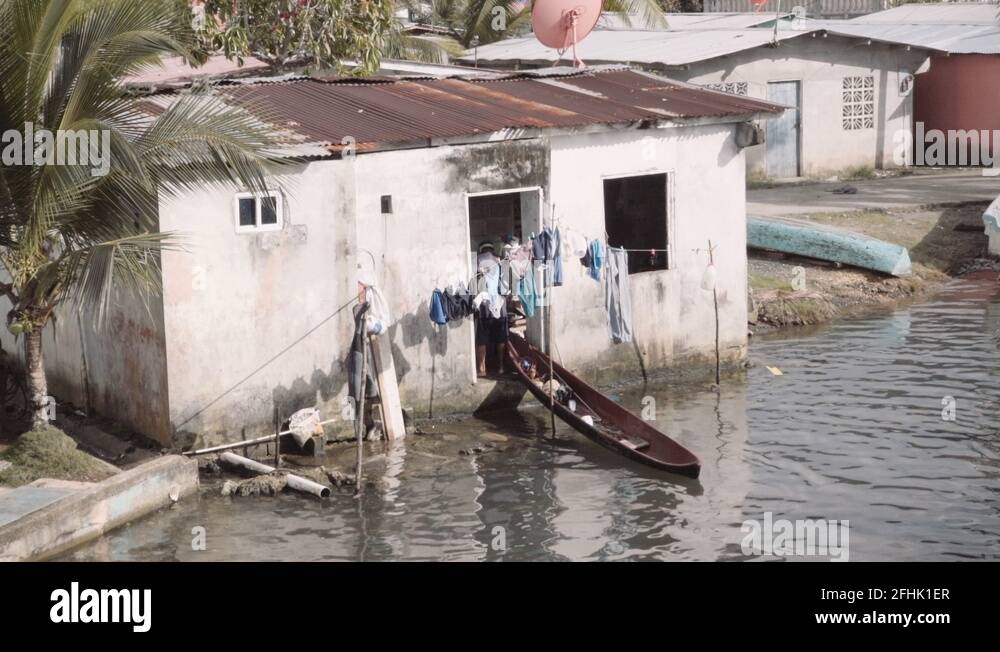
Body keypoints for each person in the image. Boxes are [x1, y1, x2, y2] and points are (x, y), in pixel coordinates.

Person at [474, 241, 509, 376]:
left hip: (484, 303)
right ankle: (500, 367)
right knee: (500, 336)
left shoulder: (477, 260)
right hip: (500, 303)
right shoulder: (499, 261)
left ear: (481, 250)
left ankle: (482, 369)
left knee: (482, 336)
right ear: (492, 249)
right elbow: (505, 286)